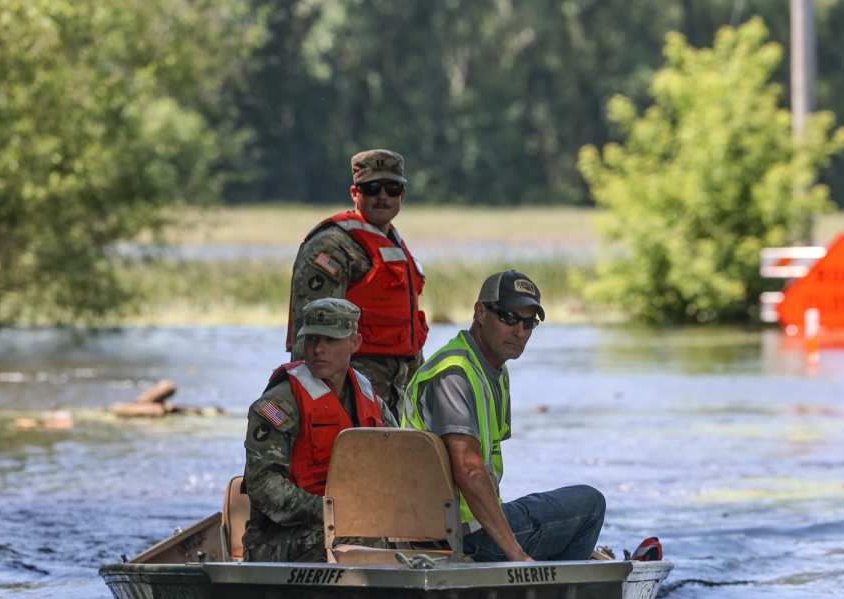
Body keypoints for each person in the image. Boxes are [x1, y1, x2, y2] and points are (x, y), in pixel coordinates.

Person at [401, 270, 606, 562]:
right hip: (459, 535)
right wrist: (516, 554)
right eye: (509, 318)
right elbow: (469, 470)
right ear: (480, 312)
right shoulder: (455, 373)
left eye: (529, 323)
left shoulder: (493, 369)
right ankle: (559, 586)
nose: (519, 331)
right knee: (590, 504)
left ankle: (546, 577)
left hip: (464, 526)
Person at [242, 298, 398, 562]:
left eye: (330, 340)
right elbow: (263, 486)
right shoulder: (277, 405)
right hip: (278, 538)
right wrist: (333, 512)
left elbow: (397, 458)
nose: (318, 350)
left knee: (413, 533)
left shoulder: (369, 398)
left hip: (352, 523)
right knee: (364, 540)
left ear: (355, 343)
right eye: (312, 339)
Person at [286, 148, 428, 416]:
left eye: (392, 189)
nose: (383, 196)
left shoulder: (395, 245)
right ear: (355, 193)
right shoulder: (331, 246)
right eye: (372, 188)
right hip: (349, 395)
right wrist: (317, 408)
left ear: (402, 195)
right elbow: (310, 336)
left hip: (396, 395)